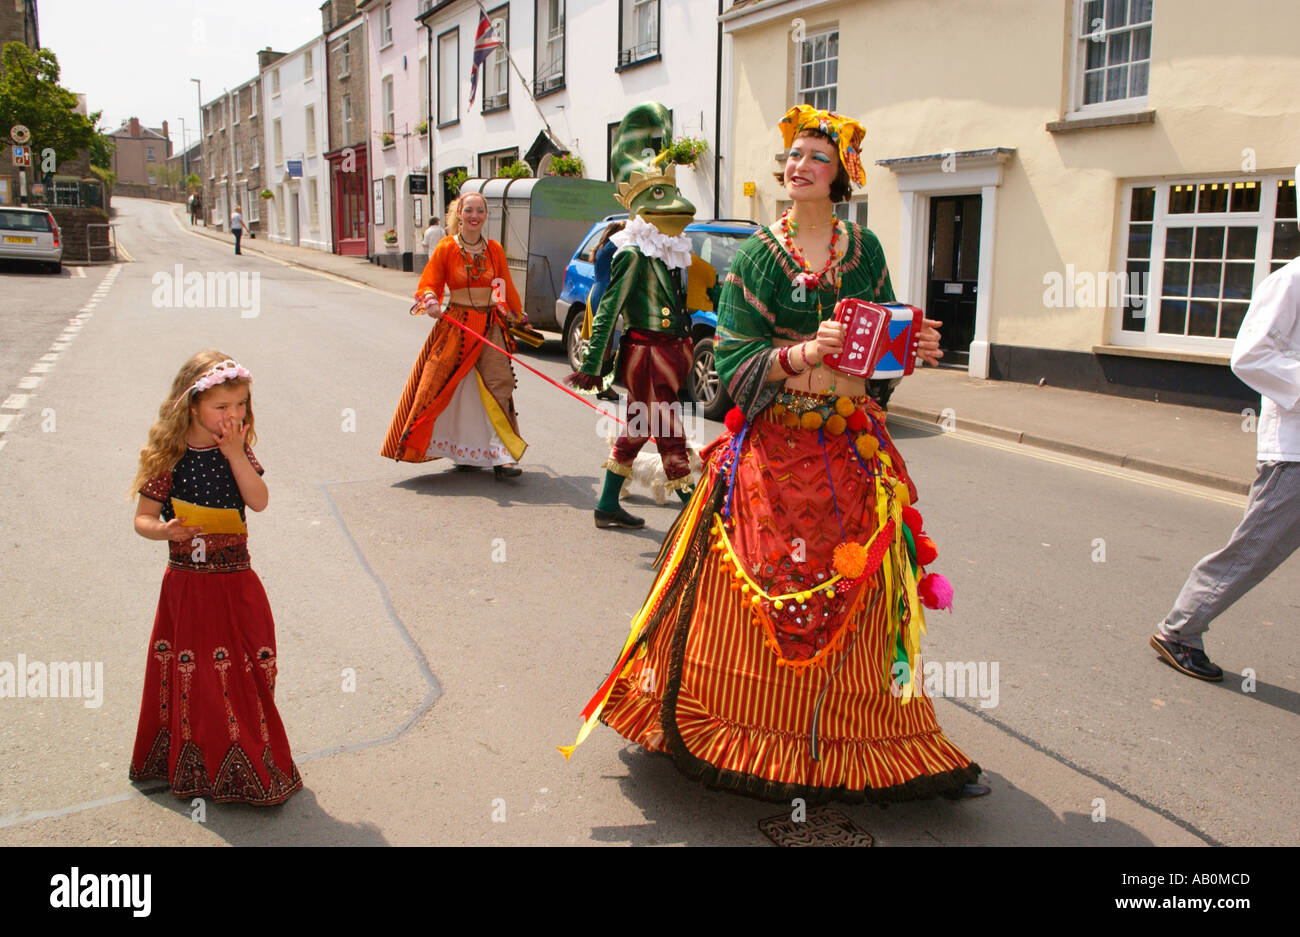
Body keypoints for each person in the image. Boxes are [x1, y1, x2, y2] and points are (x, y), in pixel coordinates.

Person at [561, 105, 986, 803]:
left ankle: (880, 739)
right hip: (775, 442)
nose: (799, 166)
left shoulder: (866, 252)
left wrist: (914, 347)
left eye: (816, 157)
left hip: (848, 438)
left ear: (840, 175)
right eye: (793, 157)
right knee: (758, 580)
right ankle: (752, 731)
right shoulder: (760, 254)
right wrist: (801, 352)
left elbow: (876, 342)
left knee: (868, 588)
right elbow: (731, 364)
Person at [128, 351, 302, 805]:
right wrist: (165, 529)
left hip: (236, 579)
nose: (234, 415)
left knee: (248, 671)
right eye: (221, 407)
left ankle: (250, 759)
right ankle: (198, 764)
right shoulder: (169, 457)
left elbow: (259, 501)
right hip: (187, 585)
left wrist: (234, 454)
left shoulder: (237, 447)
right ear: (191, 407)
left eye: (241, 404)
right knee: (196, 675)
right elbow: (142, 519)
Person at [1150, 168, 1300, 681]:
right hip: (1294, 454)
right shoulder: (1292, 279)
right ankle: (1179, 629)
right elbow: (1251, 356)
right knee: (1252, 551)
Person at [566, 103, 698, 529]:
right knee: (669, 431)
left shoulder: (669, 251)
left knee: (637, 429)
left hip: (671, 353)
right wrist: (590, 366)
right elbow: (609, 309)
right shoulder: (632, 250)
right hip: (648, 355)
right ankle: (696, 513)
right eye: (661, 196)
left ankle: (607, 505)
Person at [381, 191, 527, 479]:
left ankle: (502, 457)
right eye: (469, 210)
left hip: (488, 325)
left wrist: (512, 312)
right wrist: (431, 301)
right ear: (459, 214)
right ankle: (463, 451)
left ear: (486, 216)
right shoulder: (446, 248)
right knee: (446, 386)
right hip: (457, 323)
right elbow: (429, 284)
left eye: (480, 211)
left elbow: (501, 286)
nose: (474, 216)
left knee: (500, 383)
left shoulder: (494, 249)